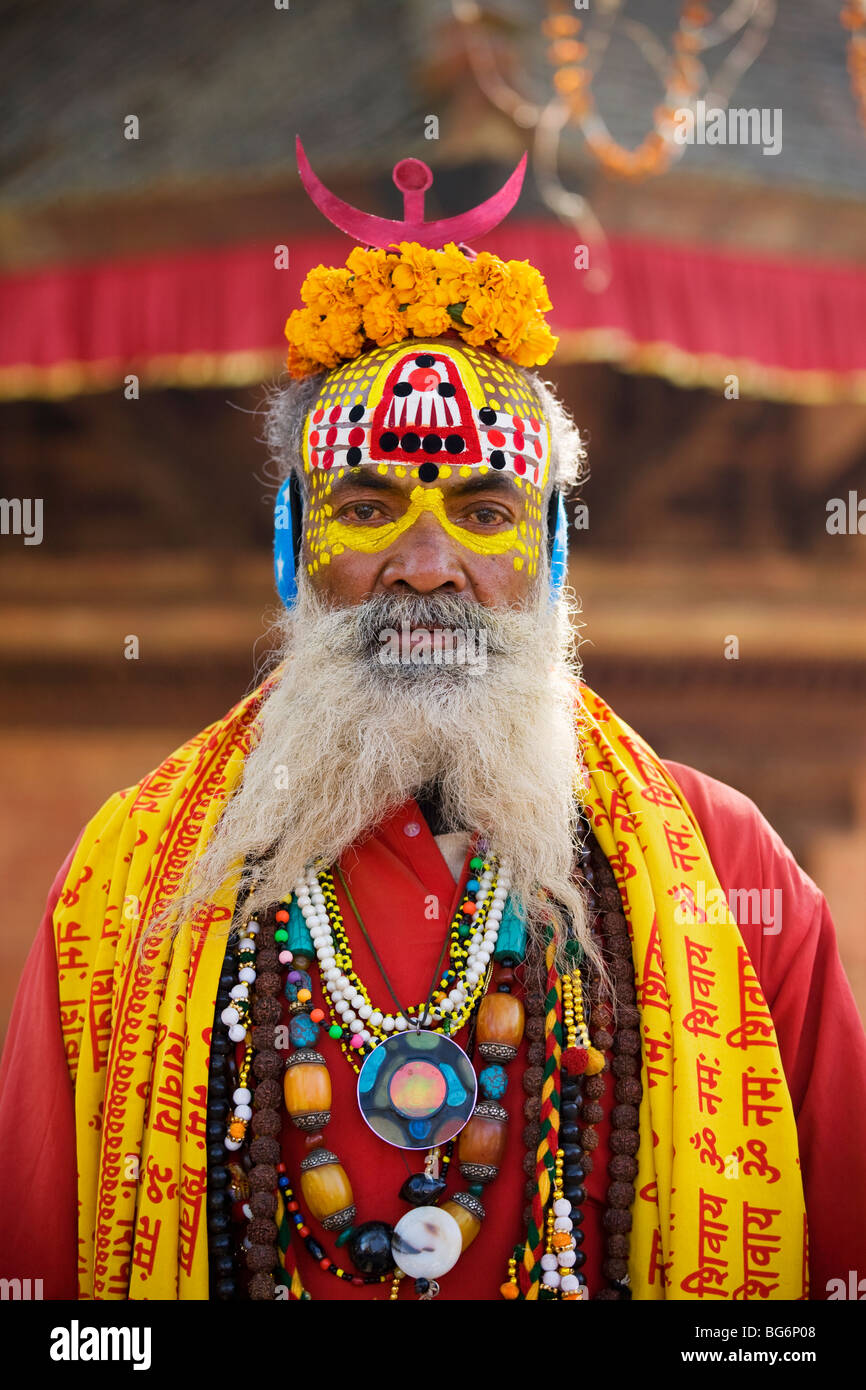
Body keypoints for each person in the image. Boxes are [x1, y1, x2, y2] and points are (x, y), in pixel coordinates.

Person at [1, 147, 864, 1304]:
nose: (425, 567)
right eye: (365, 508)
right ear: (288, 547)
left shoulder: (727, 869)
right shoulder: (126, 886)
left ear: (551, 555)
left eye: (483, 511)